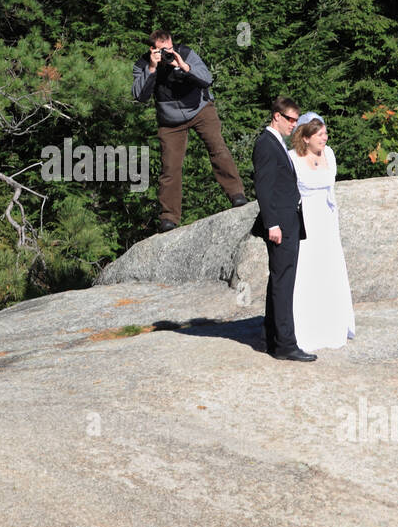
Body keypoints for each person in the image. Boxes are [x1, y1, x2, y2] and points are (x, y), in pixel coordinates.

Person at [133, 28, 246, 232]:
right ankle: (169, 218)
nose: (166, 54)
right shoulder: (143, 63)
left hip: (200, 109)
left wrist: (183, 66)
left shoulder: (185, 53)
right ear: (152, 49)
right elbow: (139, 96)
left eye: (168, 49)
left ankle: (237, 195)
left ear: (172, 43)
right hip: (170, 121)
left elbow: (207, 78)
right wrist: (151, 68)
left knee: (218, 149)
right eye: (160, 51)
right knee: (170, 168)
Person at [251, 97, 316, 362]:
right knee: (283, 282)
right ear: (276, 116)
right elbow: (264, 189)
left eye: (296, 120)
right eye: (290, 119)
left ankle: (272, 338)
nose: (294, 125)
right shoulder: (266, 144)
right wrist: (273, 224)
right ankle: (286, 344)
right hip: (280, 225)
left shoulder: (276, 143)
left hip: (288, 221)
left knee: (279, 280)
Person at [288, 113, 356, 351]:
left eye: (325, 133)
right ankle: (305, 328)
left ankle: (333, 324)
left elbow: (331, 188)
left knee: (329, 270)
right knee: (307, 272)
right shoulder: (293, 158)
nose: (325, 138)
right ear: (305, 137)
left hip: (326, 221)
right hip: (305, 221)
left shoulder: (329, 154)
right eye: (320, 135)